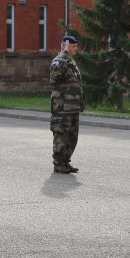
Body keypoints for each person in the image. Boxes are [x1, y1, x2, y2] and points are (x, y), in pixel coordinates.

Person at [50, 35, 83, 174]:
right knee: (61, 136)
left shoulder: (71, 62)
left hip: (72, 108)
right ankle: (58, 163)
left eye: (76, 46)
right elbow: (55, 76)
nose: (76, 49)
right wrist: (64, 52)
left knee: (71, 137)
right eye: (73, 46)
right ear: (65, 46)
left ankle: (65, 162)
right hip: (62, 108)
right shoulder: (59, 61)